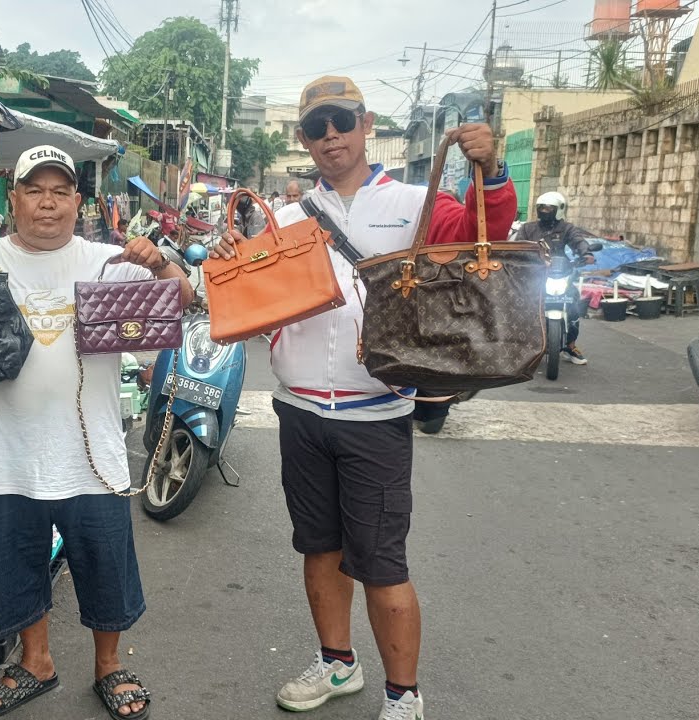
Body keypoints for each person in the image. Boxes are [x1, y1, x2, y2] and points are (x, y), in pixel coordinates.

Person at [213, 75, 517, 720]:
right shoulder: (285, 217)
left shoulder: (413, 200)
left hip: (375, 413)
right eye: (317, 125)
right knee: (318, 548)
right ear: (303, 138)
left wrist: (490, 169)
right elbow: (257, 303)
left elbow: (481, 233)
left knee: (380, 562)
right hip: (298, 409)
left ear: (366, 123)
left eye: (342, 121)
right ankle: (337, 664)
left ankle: (404, 696)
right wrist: (230, 262)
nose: (331, 136)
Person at [0, 144, 192, 720]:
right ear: (15, 197)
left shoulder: (107, 260)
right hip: (8, 452)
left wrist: (160, 262)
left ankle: (109, 666)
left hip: (93, 455)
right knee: (16, 564)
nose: (46, 203)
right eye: (33, 190)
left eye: (59, 192)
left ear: (77, 201)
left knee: (104, 564)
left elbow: (185, 300)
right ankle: (36, 661)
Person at [515, 192, 596, 365]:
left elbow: (578, 241)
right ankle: (522, 345)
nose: (544, 211)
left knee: (573, 305)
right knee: (521, 303)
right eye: (541, 208)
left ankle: (570, 346)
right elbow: (517, 245)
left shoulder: (566, 228)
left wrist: (586, 253)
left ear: (559, 210)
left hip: (560, 273)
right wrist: (516, 257)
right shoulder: (527, 229)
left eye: (548, 208)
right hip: (535, 273)